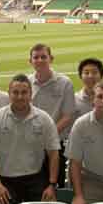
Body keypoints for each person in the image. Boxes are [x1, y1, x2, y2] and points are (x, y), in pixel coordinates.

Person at [0, 74, 60, 204]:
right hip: (5, 180)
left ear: (31, 94)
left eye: (24, 92)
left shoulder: (44, 119)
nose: (20, 97)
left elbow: (53, 153)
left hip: (36, 178)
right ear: (9, 94)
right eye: (15, 92)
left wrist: (51, 185)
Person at [27, 44, 75, 187]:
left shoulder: (64, 83)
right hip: (30, 145)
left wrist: (48, 135)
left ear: (51, 59)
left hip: (55, 145)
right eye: (36, 57)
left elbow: (67, 116)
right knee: (33, 187)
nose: (40, 60)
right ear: (30, 61)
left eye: (43, 57)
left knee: (54, 187)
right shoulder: (27, 83)